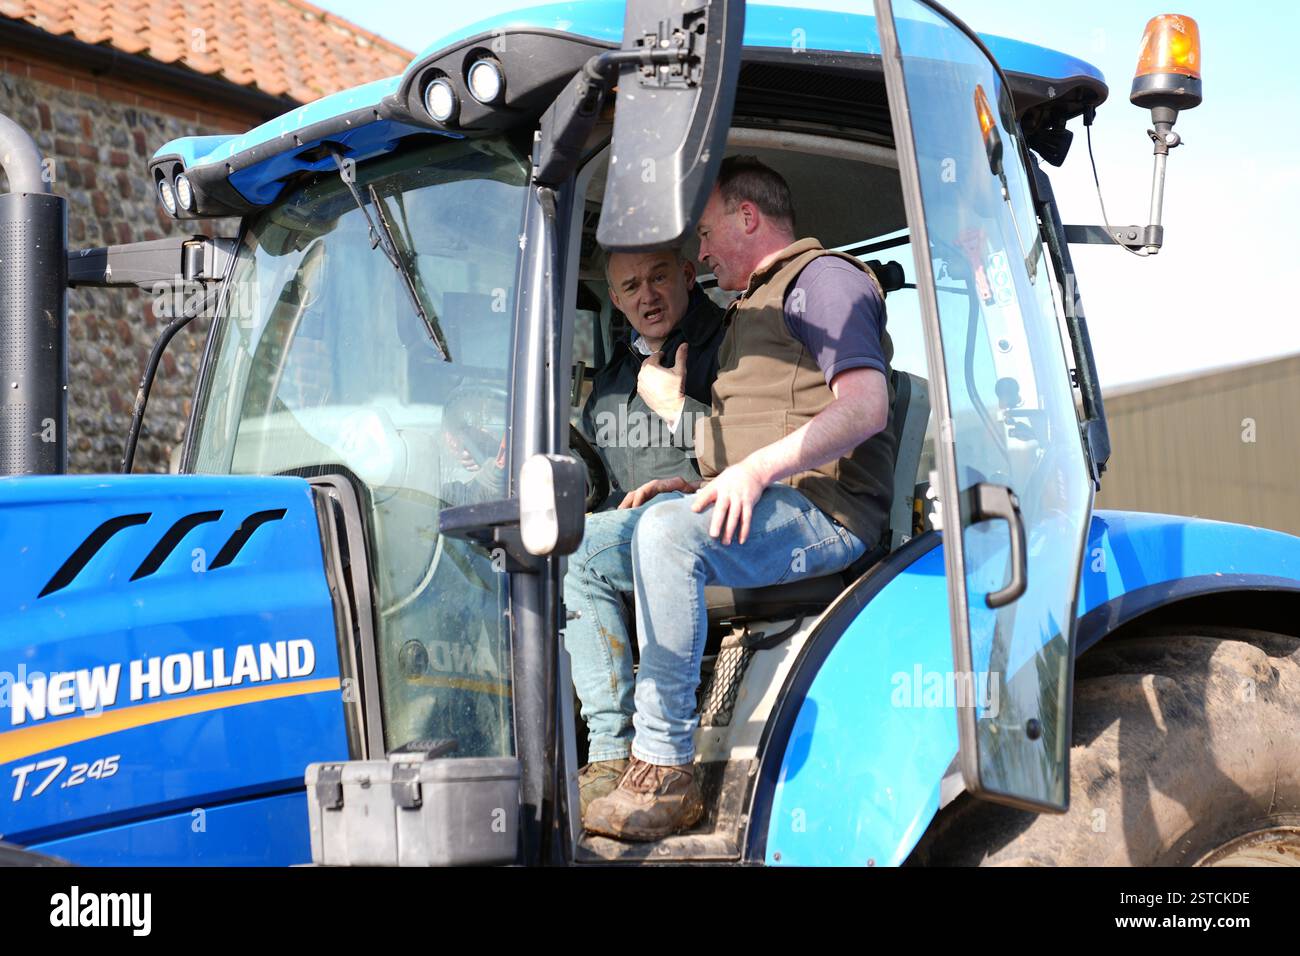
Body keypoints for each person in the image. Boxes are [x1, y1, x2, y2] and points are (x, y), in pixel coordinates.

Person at [579, 156, 898, 841]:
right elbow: (760, 425)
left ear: (746, 217)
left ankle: (665, 767)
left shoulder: (823, 282)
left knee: (667, 534)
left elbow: (866, 407)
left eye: (704, 233)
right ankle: (606, 758)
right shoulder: (752, 305)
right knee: (584, 550)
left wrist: (750, 472)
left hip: (826, 511)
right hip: (767, 503)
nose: (698, 252)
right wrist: (696, 481)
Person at [567, 247, 725, 815]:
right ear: (614, 299)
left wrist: (688, 485)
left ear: (688, 274)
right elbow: (599, 478)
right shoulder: (612, 380)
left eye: (659, 277)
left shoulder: (728, 346)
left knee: (578, 555)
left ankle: (611, 753)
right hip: (629, 536)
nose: (647, 296)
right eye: (630, 286)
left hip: (715, 528)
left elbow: (759, 451)